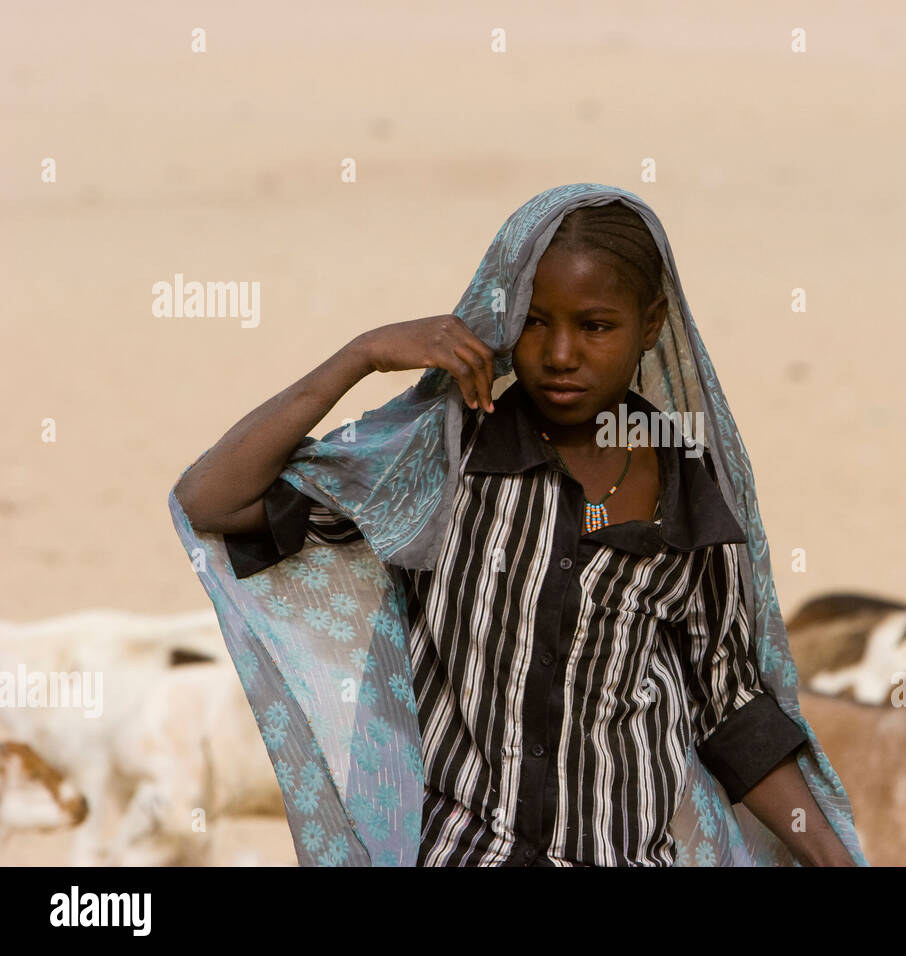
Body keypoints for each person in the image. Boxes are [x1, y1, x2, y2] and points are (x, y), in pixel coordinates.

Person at [169, 183, 867, 867]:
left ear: (651, 325)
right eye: (535, 321)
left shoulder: (687, 489)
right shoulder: (441, 464)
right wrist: (364, 354)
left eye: (595, 327)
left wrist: (831, 857)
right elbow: (212, 500)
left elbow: (730, 705)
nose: (561, 353)